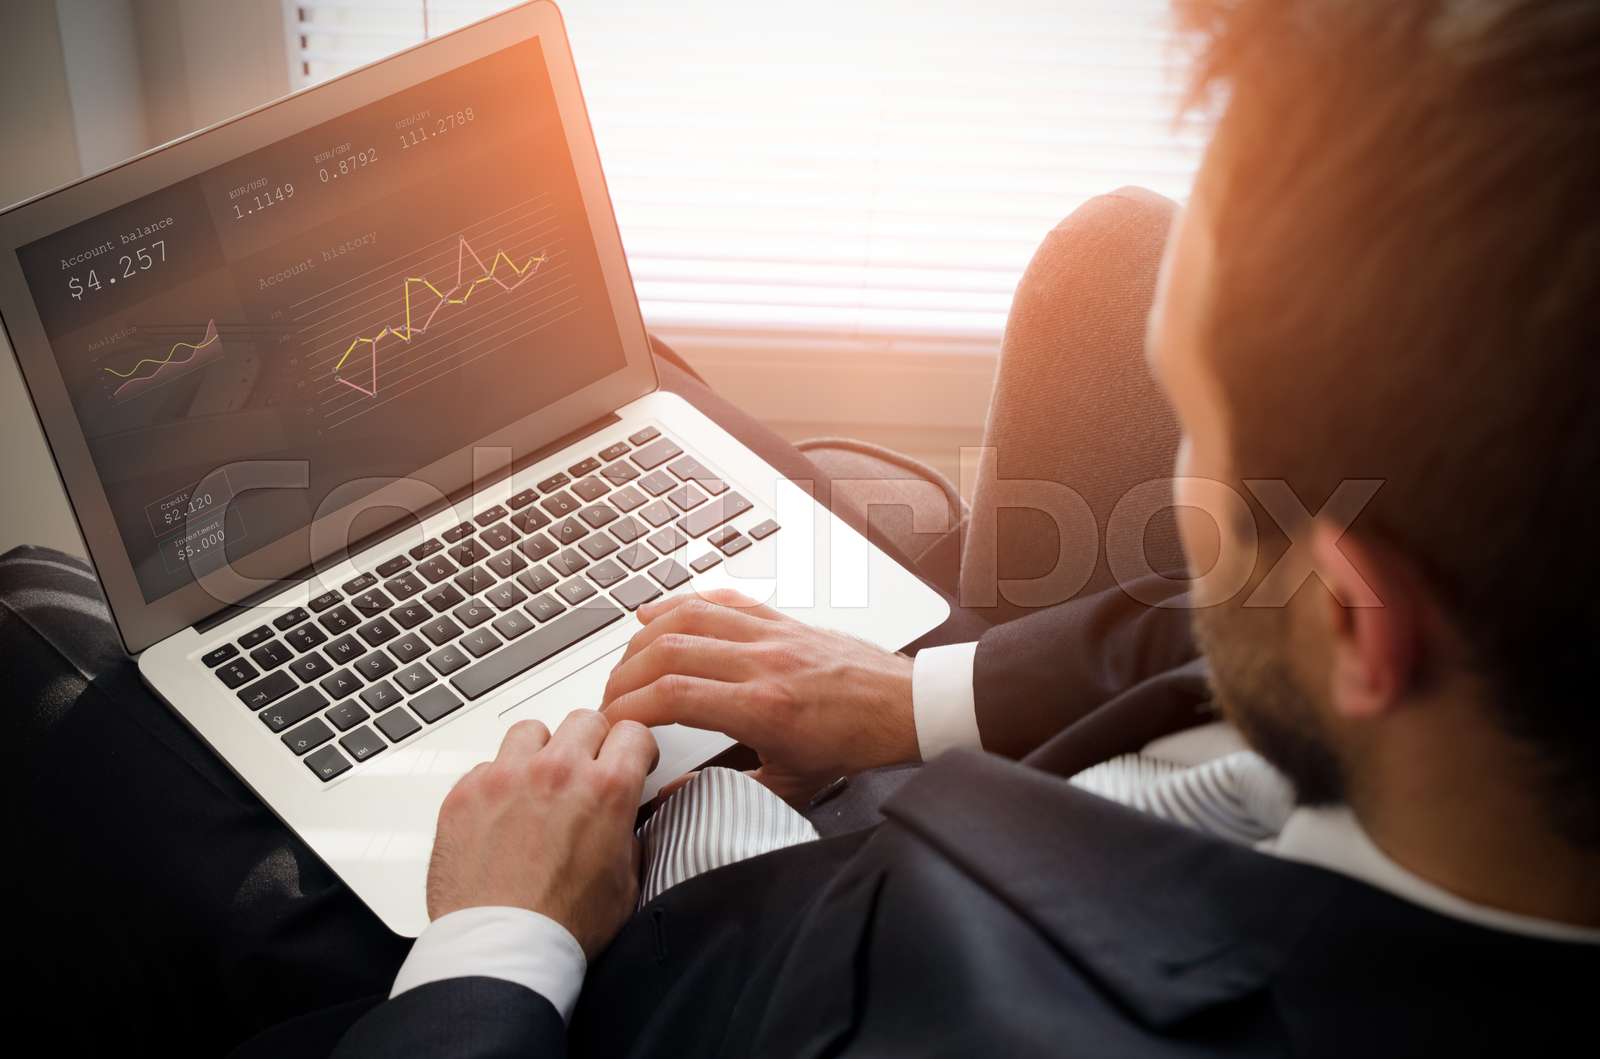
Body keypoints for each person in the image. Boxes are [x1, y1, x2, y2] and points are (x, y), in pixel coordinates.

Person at [11, 0, 1599, 1053]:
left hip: (696, 954)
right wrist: (908, 695)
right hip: (950, 791)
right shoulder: (1475, 637)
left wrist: (500, 944)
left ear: (1354, 624)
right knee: (1098, 261)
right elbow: (1246, 612)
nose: (1181, 505)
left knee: (111, 794)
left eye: (1203, 447)